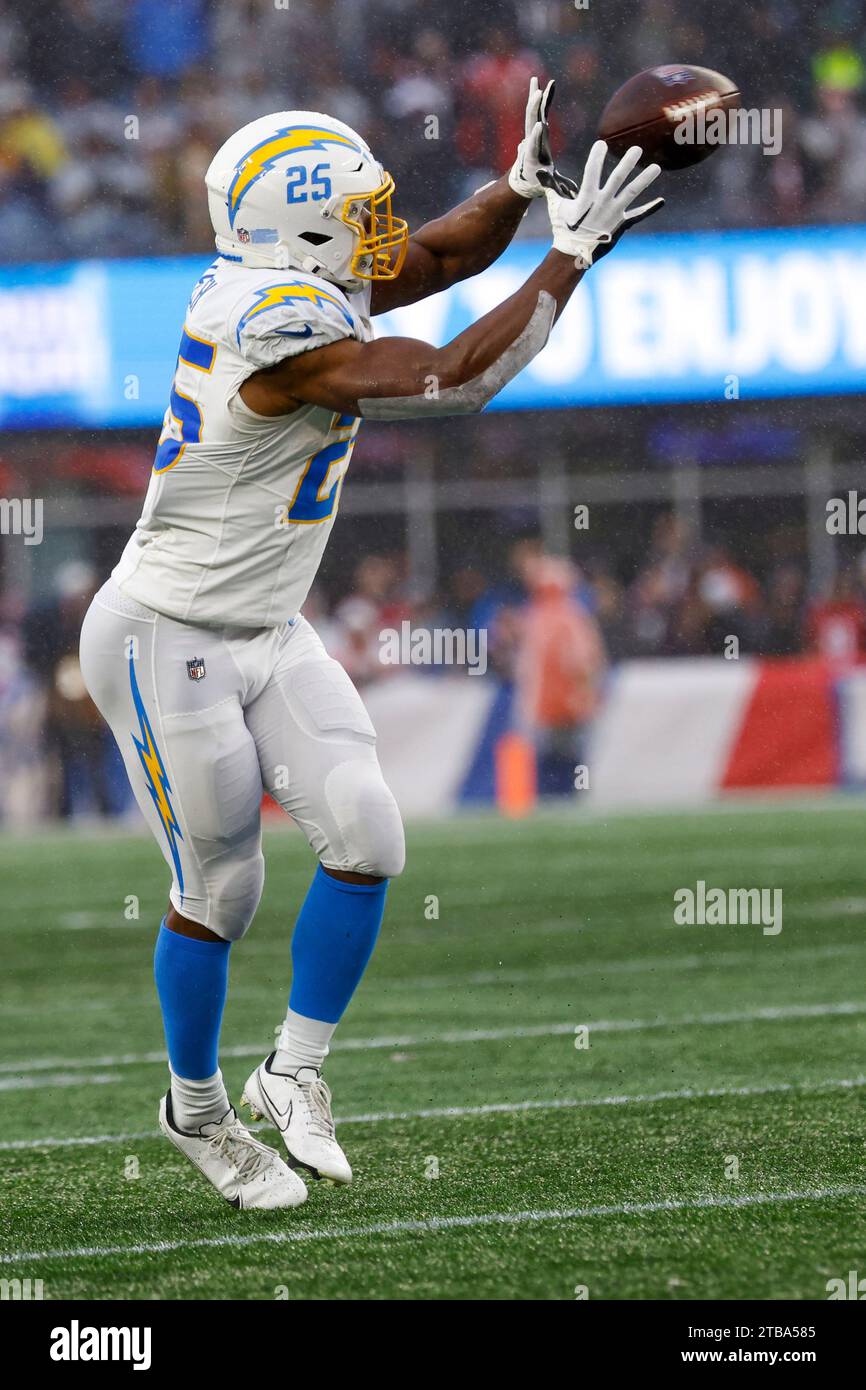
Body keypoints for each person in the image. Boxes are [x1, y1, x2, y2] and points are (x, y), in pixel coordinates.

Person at [79, 84, 663, 1211]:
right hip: (167, 633)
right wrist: (569, 260)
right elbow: (450, 379)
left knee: (366, 833)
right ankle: (195, 1110)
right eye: (360, 211)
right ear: (295, 234)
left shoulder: (298, 277)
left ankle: (291, 1069)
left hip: (263, 622)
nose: (382, 230)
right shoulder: (274, 323)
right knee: (222, 884)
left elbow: (437, 260)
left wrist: (515, 189)